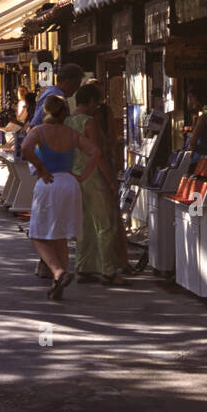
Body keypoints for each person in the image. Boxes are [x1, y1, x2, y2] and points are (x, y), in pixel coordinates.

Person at [21, 93, 100, 300]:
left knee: (37, 234)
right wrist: (82, 175)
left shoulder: (39, 131)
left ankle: (58, 271)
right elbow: (95, 152)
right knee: (60, 236)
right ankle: (58, 284)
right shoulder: (71, 133)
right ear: (64, 112)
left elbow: (25, 148)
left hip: (48, 183)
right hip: (69, 182)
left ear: (45, 111)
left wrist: (40, 168)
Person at [67, 85, 124, 287]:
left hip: (75, 176)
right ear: (91, 101)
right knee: (105, 224)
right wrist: (111, 181)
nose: (97, 107)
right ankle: (108, 271)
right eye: (97, 103)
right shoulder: (89, 122)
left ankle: (84, 267)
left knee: (84, 225)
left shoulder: (67, 121)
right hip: (94, 177)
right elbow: (98, 155)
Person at [28, 63, 84, 127]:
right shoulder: (56, 96)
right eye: (76, 84)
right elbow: (37, 122)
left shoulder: (51, 91)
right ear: (67, 81)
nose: (77, 88)